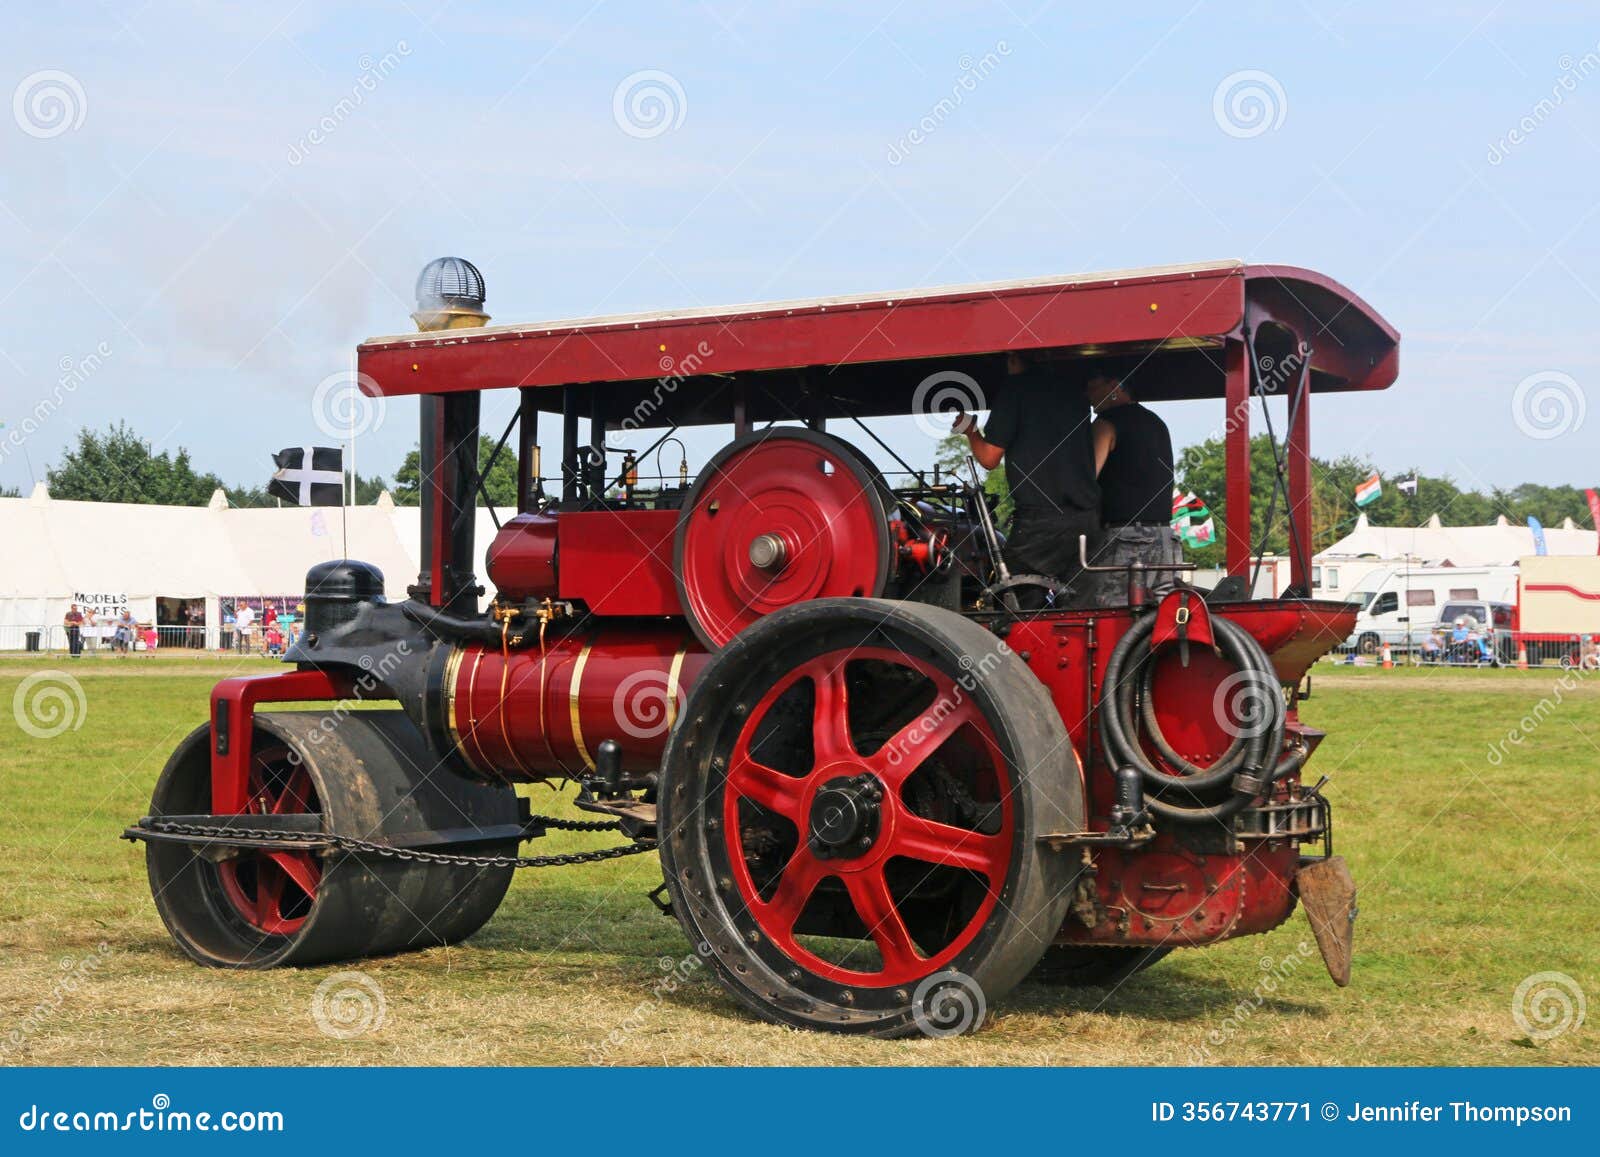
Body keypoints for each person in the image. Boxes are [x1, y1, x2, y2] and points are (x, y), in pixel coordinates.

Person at [953, 353, 1100, 604]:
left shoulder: (1015, 390)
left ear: (1013, 359)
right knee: (1080, 607)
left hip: (1040, 520)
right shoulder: (1074, 392)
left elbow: (989, 457)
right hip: (1087, 518)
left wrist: (971, 431)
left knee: (1014, 598)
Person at [1083, 370, 1181, 606]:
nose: (1088, 396)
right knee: (1164, 612)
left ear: (1115, 386)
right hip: (1165, 537)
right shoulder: (1157, 423)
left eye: (1093, 388)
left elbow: (1087, 478)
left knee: (1113, 612)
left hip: (1127, 538)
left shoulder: (1106, 423)